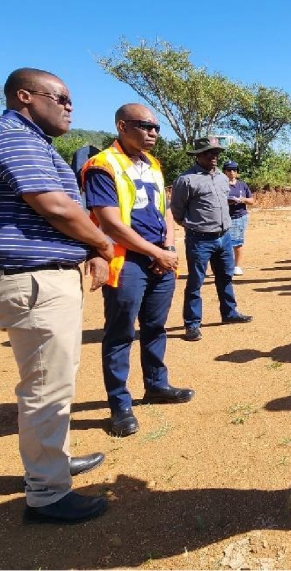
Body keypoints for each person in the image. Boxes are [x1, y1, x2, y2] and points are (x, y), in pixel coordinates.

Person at [0, 68, 114, 524]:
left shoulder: (33, 141)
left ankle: (54, 462)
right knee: (47, 387)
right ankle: (47, 493)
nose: (70, 106)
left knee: (53, 380)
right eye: (61, 97)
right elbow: (55, 205)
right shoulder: (17, 137)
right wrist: (102, 244)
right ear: (24, 96)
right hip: (35, 280)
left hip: (42, 277)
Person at [82, 104, 195, 437]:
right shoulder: (102, 165)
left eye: (157, 128)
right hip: (126, 261)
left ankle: (156, 385)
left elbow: (167, 213)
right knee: (120, 334)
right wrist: (156, 252)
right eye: (146, 126)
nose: (154, 133)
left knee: (156, 326)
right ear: (122, 126)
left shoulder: (153, 165)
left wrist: (169, 250)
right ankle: (120, 404)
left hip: (160, 259)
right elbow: (110, 224)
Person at [170, 137, 253, 341]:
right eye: (209, 153)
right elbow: (177, 212)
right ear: (198, 155)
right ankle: (192, 324)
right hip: (200, 240)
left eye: (216, 153)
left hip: (224, 237)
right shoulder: (186, 180)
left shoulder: (222, 178)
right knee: (196, 281)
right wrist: (195, 227)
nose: (214, 157)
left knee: (225, 276)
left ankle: (229, 313)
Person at [223, 160, 255, 276]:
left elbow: (251, 201)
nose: (232, 172)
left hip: (239, 216)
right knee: (223, 243)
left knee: (237, 242)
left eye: (234, 170)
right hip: (223, 217)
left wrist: (243, 199)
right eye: (229, 170)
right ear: (224, 172)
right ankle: (226, 266)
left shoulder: (242, 185)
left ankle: (236, 266)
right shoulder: (221, 185)